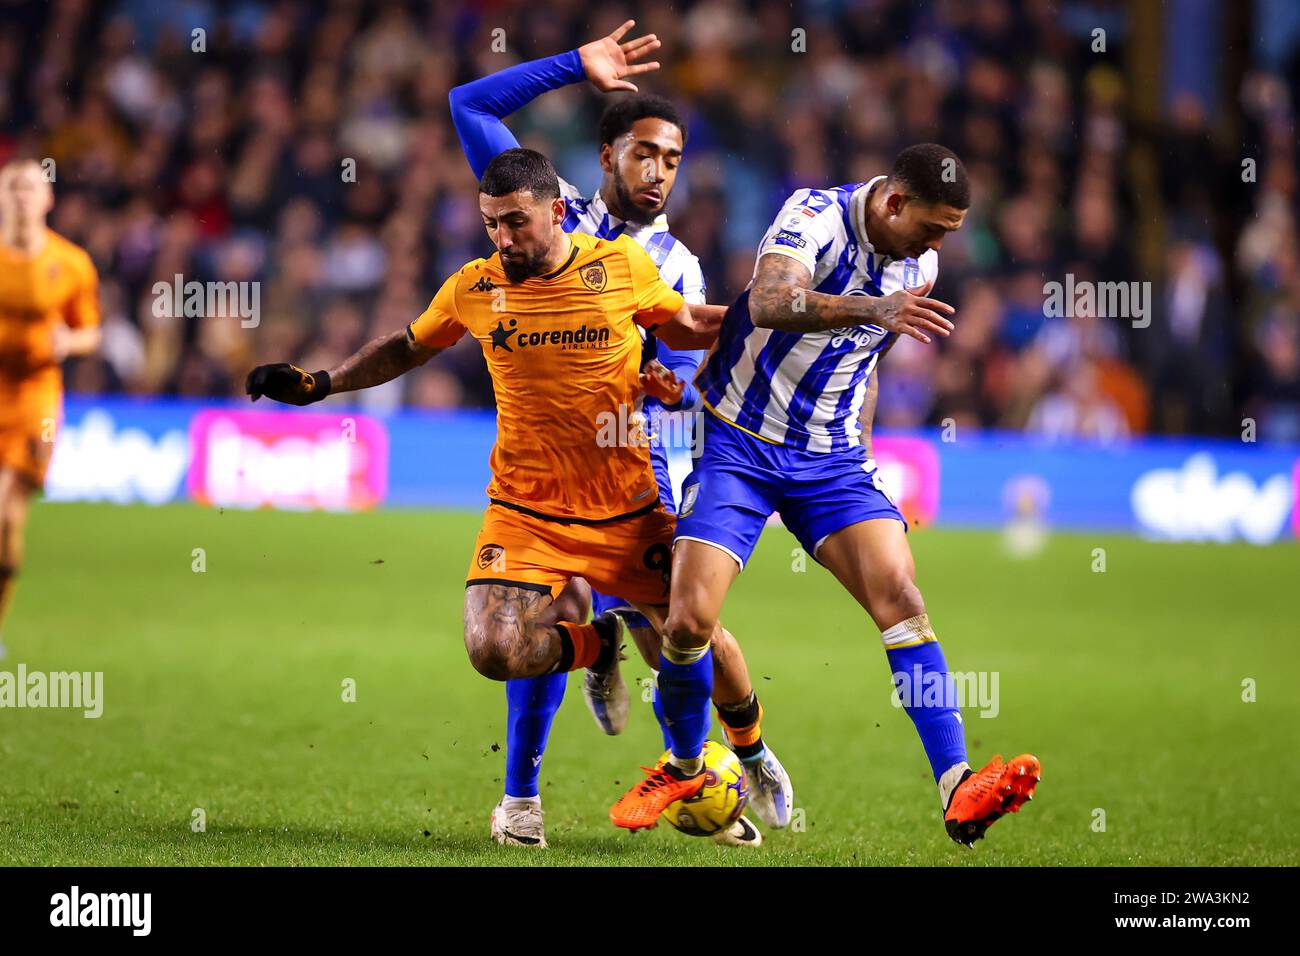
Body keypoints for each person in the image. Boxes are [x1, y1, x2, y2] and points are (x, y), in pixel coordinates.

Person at [246, 147, 722, 847]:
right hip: (525, 507)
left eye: (516, 223)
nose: (503, 239)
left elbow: (687, 328)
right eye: (491, 224)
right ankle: (586, 664)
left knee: (687, 640)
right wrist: (322, 384)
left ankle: (691, 769)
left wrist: (781, 317)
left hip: (625, 504)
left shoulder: (620, 269)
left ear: (556, 211)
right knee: (493, 647)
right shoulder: (476, 285)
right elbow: (407, 348)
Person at [608, 144, 1041, 846]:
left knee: (902, 599)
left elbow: (867, 359)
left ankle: (958, 785)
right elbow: (773, 302)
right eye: (932, 229)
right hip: (736, 441)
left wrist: (860, 445)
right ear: (894, 204)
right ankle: (687, 766)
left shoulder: (918, 262)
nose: (937, 247)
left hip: (831, 459)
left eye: (948, 235)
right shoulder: (812, 215)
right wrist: (875, 305)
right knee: (687, 622)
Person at [448, 21, 791, 847]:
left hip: (634, 479)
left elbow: (691, 373)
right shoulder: (543, 209)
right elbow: (469, 103)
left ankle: (724, 764)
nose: (658, 172)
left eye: (672, 160)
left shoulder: (676, 268)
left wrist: (685, 400)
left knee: (686, 633)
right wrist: (575, 66)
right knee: (532, 617)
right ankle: (523, 801)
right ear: (607, 157)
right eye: (644, 154)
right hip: (538, 476)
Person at [0, 159, 102, 660]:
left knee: (7, 518)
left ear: (48, 200)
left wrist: (68, 340)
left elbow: (91, 330)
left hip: (36, 397)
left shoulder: (72, 264)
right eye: (12, 187)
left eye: (29, 188)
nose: (21, 197)